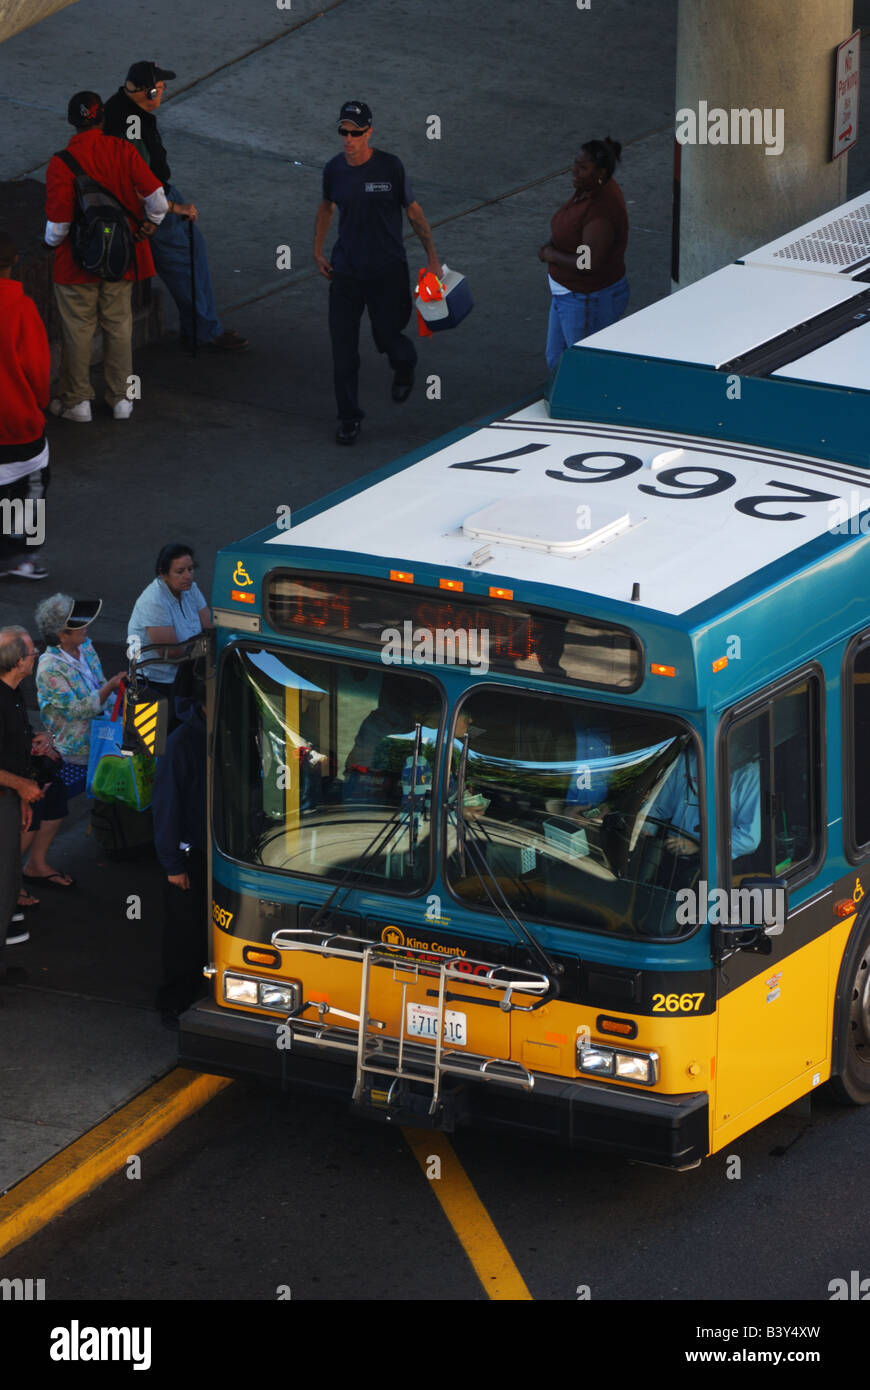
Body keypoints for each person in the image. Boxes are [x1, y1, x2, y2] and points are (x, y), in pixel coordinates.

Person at [313, 101, 442, 445]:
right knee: (343, 351)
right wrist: (317, 250)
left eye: (356, 132)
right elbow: (326, 207)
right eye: (344, 132)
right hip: (346, 274)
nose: (349, 139)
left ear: (369, 132)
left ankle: (404, 363)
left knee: (387, 336)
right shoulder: (334, 170)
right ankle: (349, 418)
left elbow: (413, 212)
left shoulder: (390, 168)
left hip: (387, 272)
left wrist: (432, 257)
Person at [103, 62, 247, 353]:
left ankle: (200, 326)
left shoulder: (121, 108)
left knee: (193, 253)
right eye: (161, 87)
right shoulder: (130, 127)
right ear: (149, 91)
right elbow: (140, 185)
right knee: (183, 265)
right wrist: (172, 209)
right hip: (157, 205)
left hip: (161, 194)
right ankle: (203, 332)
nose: (164, 91)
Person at [44, 91, 169, 423]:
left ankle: (77, 402)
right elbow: (158, 202)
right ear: (102, 119)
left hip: (75, 264)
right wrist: (148, 226)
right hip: (120, 258)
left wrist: (48, 241)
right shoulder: (123, 150)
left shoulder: (61, 163)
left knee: (78, 330)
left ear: (73, 123)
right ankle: (122, 400)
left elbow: (57, 228)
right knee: (119, 326)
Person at [34, 597, 124, 868]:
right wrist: (109, 689)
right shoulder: (49, 668)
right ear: (62, 635)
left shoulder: (85, 645)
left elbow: (97, 681)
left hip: (103, 731)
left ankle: (115, 832)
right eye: (79, 625)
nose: (87, 627)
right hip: (76, 748)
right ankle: (114, 833)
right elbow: (75, 710)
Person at [538, 137, 630, 372]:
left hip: (587, 300)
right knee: (557, 361)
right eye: (575, 164)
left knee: (583, 369)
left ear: (600, 172)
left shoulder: (600, 208)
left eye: (582, 168)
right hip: (569, 296)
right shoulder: (588, 190)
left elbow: (587, 262)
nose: (575, 171)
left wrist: (550, 254)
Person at [151, 685, 207, 1025]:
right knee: (184, 930)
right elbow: (166, 806)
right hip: (191, 855)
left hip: (217, 850)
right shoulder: (181, 743)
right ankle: (173, 1001)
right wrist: (172, 863)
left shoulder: (232, 729)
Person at [0, 231, 50, 581]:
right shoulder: (21, 307)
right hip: (17, 421)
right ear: (14, 262)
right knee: (30, 487)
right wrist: (40, 404)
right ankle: (21, 555)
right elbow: (37, 368)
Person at [0, 627, 44, 965]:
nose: (36, 656)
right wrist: (22, 787)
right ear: (17, 662)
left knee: (9, 880)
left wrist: (23, 795)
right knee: (4, 884)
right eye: (31, 653)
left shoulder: (14, 692)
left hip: (10, 799)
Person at [127, 544, 210, 705]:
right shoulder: (153, 601)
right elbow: (171, 652)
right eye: (180, 571)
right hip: (156, 683)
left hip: (187, 673)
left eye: (190, 569)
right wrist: (205, 647)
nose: (188, 576)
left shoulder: (191, 589)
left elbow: (209, 627)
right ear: (163, 574)